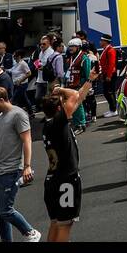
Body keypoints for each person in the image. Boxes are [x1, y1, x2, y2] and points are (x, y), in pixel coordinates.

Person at [0, 87, 39, 242]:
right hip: (0, 171)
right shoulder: (0, 117)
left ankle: (30, 232)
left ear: (1, 100)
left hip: (13, 169)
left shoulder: (18, 115)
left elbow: (27, 140)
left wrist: (27, 166)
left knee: (5, 210)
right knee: (0, 214)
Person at [40, 81, 90, 241]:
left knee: (55, 223)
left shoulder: (49, 125)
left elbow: (78, 98)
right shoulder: (58, 124)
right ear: (60, 109)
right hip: (66, 181)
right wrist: (59, 89)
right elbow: (74, 95)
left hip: (52, 180)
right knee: (64, 225)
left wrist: (89, 81)